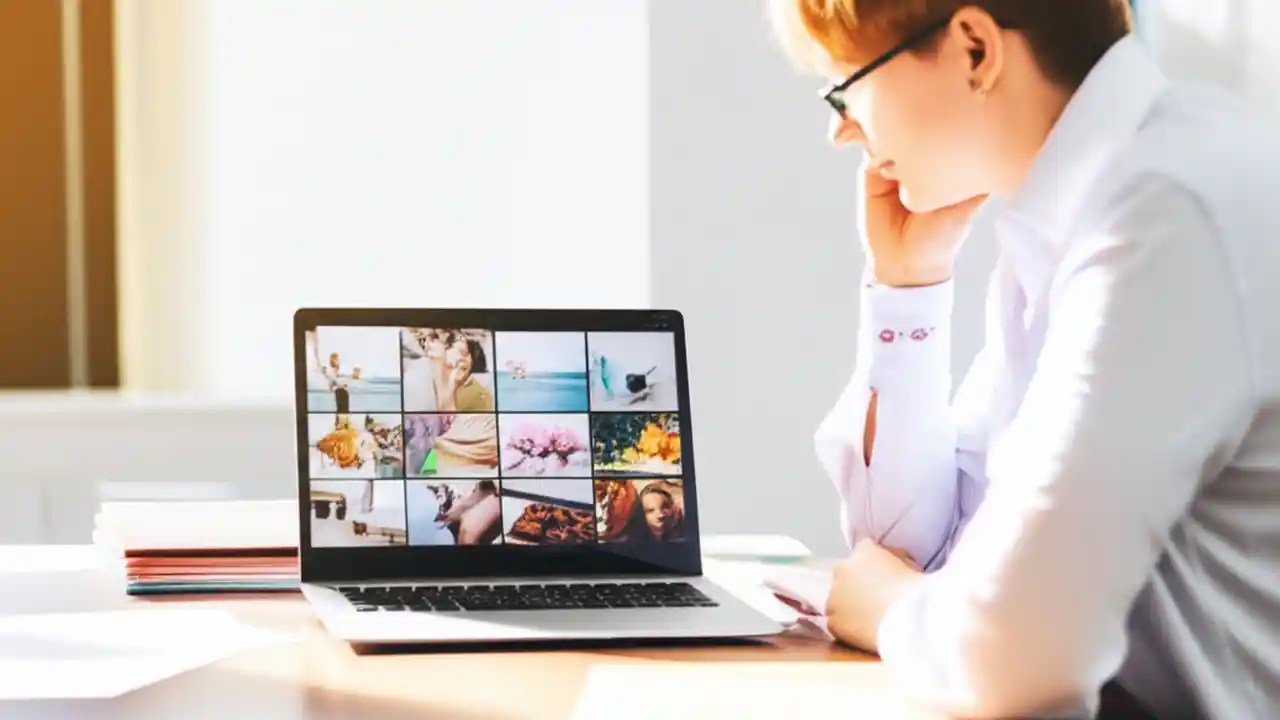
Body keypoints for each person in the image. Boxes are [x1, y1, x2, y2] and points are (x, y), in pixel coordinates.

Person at [768, 1, 1280, 717]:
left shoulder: (1165, 212)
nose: (841, 127)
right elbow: (925, 548)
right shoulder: (1067, 227)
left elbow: (1013, 658)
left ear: (974, 50)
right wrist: (908, 287)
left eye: (849, 81)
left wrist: (891, 610)